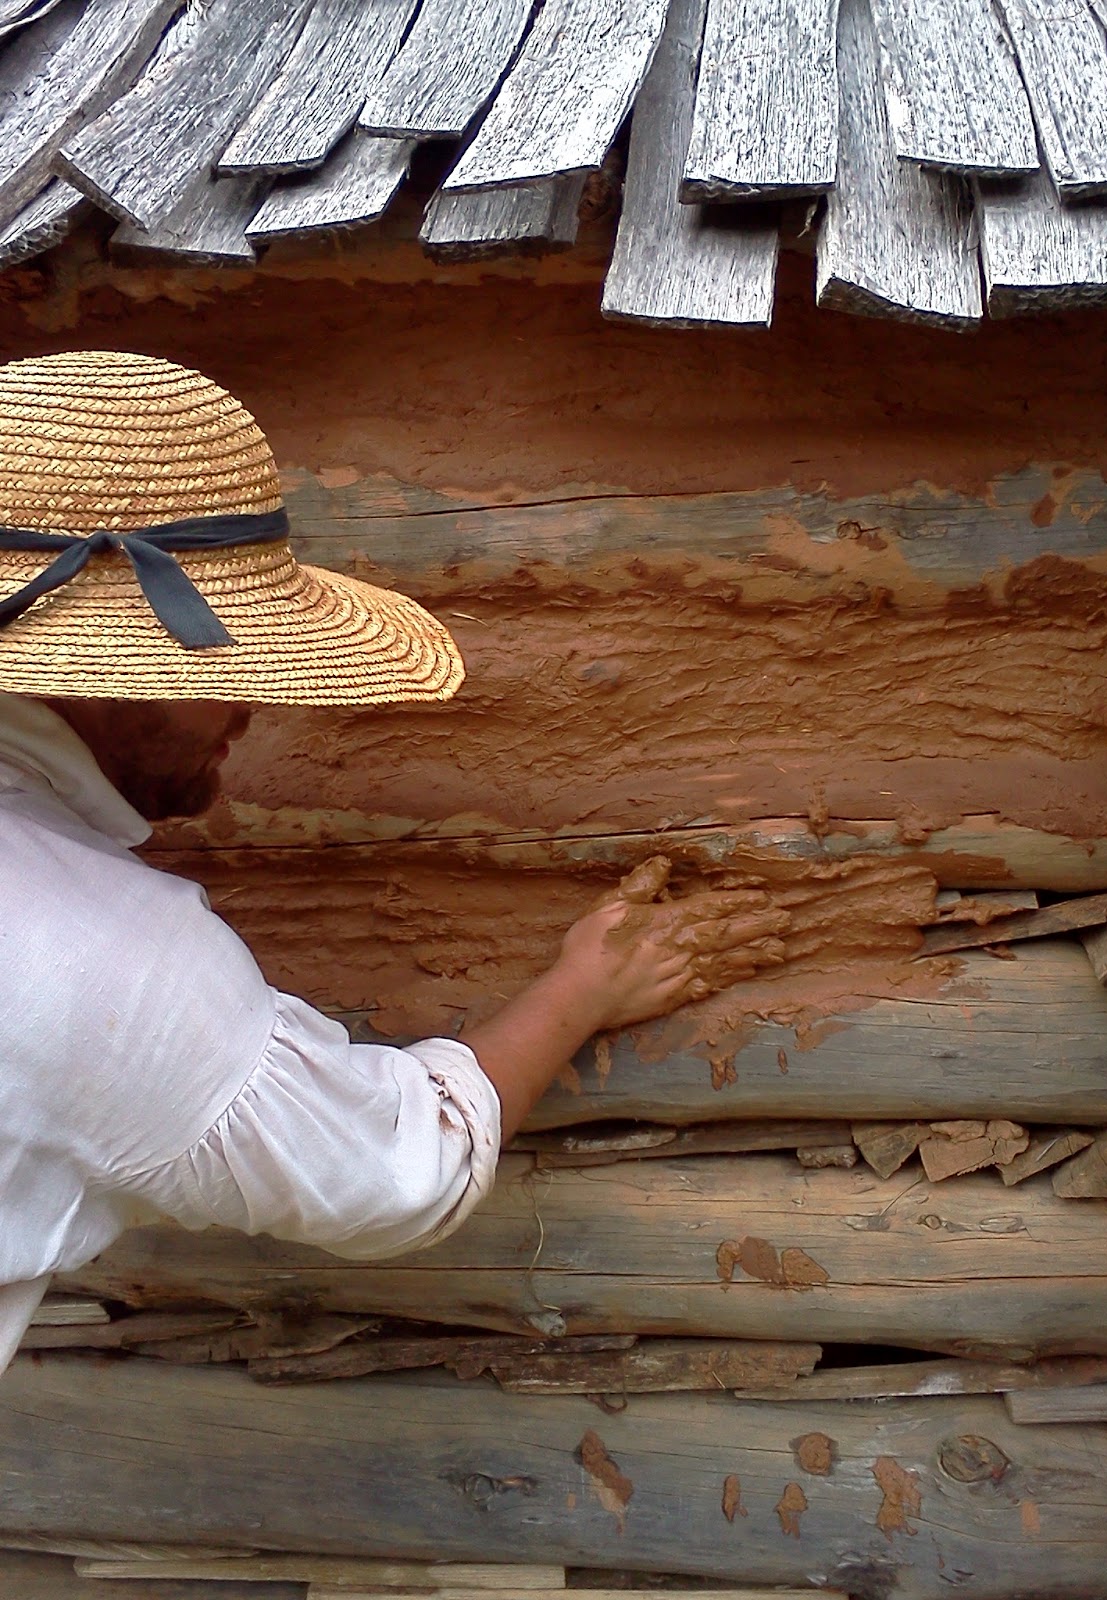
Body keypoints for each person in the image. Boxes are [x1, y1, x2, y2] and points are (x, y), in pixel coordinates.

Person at [0, 351, 786, 1372]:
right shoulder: (110, 963)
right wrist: (586, 987)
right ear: (100, 680)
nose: (254, 705)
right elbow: (400, 1171)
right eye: (221, 663)